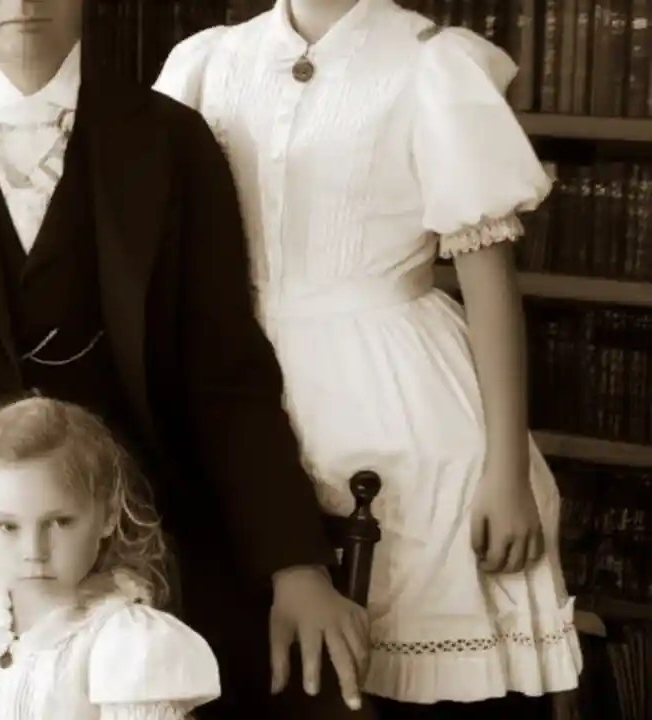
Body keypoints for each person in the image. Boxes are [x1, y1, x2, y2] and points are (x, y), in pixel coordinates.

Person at [0, 0, 368, 715]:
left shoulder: (175, 142)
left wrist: (294, 561)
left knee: (299, 689)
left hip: (155, 550)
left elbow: (227, 374)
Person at [153, 0, 582, 715]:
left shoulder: (432, 63)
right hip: (238, 396)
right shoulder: (208, 62)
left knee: (409, 682)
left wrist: (506, 472)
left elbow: (490, 288)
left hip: (406, 410)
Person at [0, 396, 221, 719]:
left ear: (108, 515)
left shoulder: (123, 642)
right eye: (8, 526)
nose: (34, 552)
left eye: (59, 523)